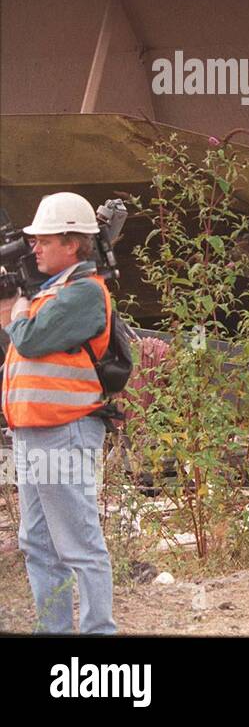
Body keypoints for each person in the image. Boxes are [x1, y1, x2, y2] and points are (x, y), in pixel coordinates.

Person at [2, 192, 116, 634]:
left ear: (72, 243)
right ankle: (54, 632)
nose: (34, 248)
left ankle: (96, 632)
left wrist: (20, 309)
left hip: (64, 432)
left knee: (79, 544)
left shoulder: (84, 293)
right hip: (34, 432)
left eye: (43, 240)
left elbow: (27, 339)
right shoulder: (51, 293)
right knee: (38, 544)